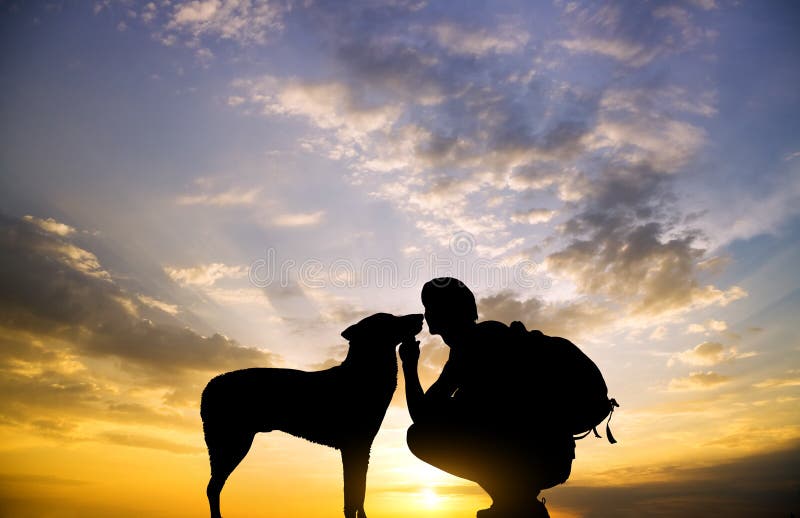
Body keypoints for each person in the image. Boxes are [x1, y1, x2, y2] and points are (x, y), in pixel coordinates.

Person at [399, 278, 574, 518]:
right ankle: (513, 500)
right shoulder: (486, 336)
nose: (426, 314)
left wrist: (409, 366)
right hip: (553, 454)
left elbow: (423, 416)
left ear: (444, 312)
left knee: (420, 437)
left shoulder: (472, 345)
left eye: (429, 307)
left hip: (535, 455)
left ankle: (514, 502)